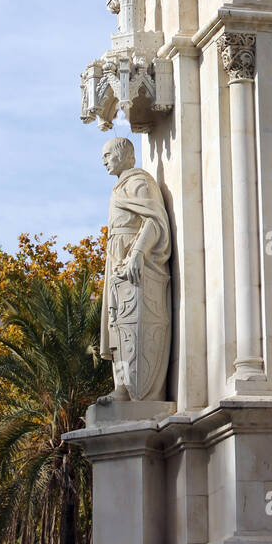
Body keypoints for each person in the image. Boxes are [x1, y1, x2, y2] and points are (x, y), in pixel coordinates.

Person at [100, 137, 172, 402]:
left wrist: (138, 253)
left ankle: (136, 390)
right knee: (116, 324)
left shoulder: (139, 183)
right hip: (115, 262)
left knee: (131, 323)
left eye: (108, 154)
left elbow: (154, 220)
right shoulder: (119, 187)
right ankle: (121, 387)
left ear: (123, 154)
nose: (104, 160)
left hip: (132, 262)